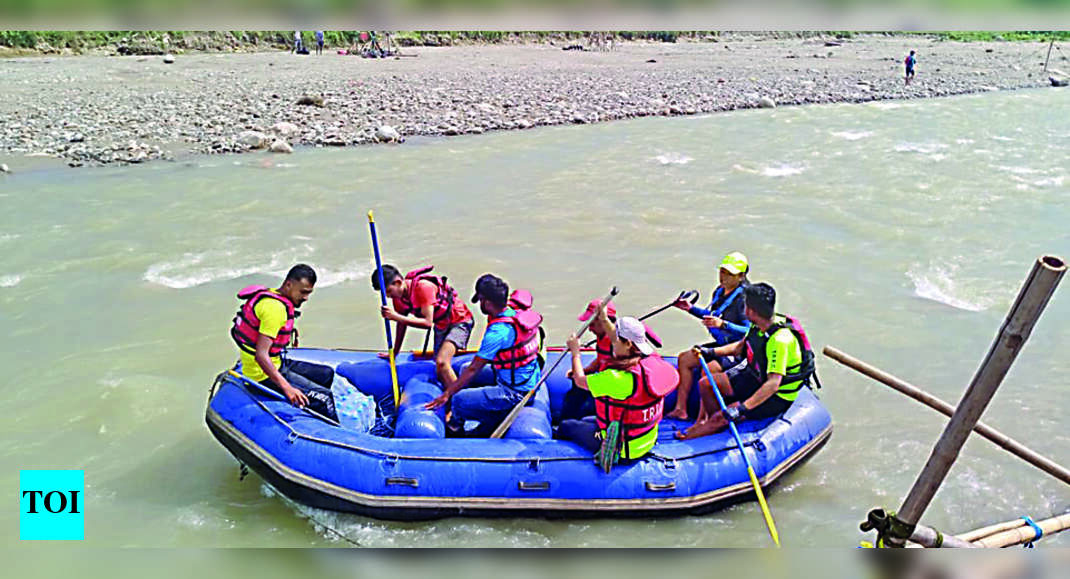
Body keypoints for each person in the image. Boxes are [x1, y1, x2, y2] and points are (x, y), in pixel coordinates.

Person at [676, 283, 814, 440]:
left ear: (751, 311)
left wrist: (742, 408)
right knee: (706, 384)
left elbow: (773, 384)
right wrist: (710, 351)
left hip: (776, 395)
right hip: (755, 377)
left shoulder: (780, 340)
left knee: (722, 416)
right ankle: (713, 425)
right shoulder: (758, 324)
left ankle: (694, 434)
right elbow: (739, 347)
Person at [425, 274, 543, 437]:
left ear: (486, 302)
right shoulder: (514, 312)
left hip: (515, 392)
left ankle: (456, 430)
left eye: (480, 300)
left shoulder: (497, 333)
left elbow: (475, 369)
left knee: (458, 399)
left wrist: (447, 395)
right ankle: (480, 403)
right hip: (521, 377)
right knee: (463, 369)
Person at [558, 317, 678, 470]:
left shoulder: (617, 378)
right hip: (646, 440)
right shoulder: (652, 361)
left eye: (615, 341)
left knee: (566, 425)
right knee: (587, 419)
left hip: (624, 448)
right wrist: (603, 316)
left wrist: (575, 352)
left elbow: (580, 381)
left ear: (628, 343)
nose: (612, 344)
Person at [230, 264, 337, 421]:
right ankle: (332, 433)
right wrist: (287, 388)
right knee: (325, 399)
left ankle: (310, 413)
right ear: (289, 284)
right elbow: (261, 355)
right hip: (260, 374)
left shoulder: (272, 295)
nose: (306, 298)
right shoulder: (275, 310)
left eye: (309, 293)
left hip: (277, 362)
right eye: (303, 292)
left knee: (326, 373)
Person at [667, 251, 751, 420]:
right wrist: (690, 308)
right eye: (722, 271)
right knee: (684, 359)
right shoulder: (719, 292)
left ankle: (702, 419)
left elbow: (747, 331)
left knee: (709, 371)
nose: (723, 277)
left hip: (736, 350)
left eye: (729, 274)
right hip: (719, 345)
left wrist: (723, 325)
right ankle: (680, 409)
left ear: (741, 276)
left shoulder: (744, 299)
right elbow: (712, 315)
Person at [372, 264, 474, 387]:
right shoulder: (398, 297)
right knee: (438, 368)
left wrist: (395, 317)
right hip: (442, 324)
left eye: (389, 291)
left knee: (442, 362)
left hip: (460, 320)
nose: (388, 296)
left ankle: (460, 399)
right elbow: (401, 324)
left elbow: (427, 323)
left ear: (398, 282)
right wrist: (395, 352)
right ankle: (449, 395)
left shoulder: (423, 288)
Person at [559, 299, 617, 420]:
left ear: (602, 321)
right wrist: (588, 369)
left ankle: (569, 424)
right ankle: (564, 420)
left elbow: (581, 380)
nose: (590, 329)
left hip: (612, 389)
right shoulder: (602, 338)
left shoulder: (617, 343)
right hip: (603, 381)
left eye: (592, 324)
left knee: (585, 408)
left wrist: (575, 352)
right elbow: (602, 358)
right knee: (574, 392)